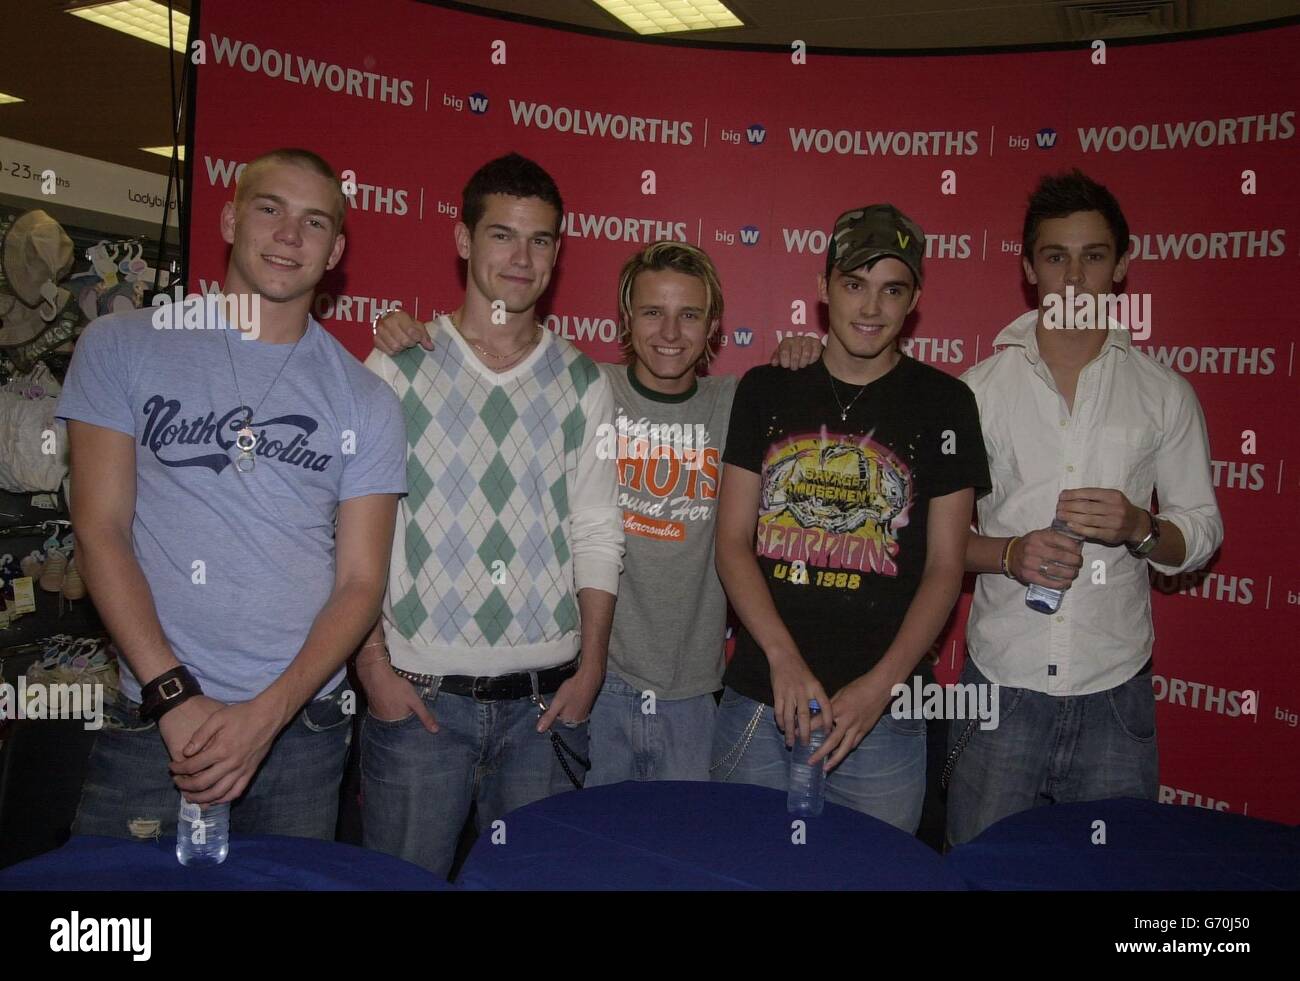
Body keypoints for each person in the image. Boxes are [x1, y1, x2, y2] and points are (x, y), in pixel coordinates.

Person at [375, 242, 823, 786]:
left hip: (692, 689)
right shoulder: (584, 387)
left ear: (714, 327)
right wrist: (399, 328)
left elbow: (821, 393)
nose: (670, 333)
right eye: (653, 312)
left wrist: (802, 354)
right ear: (626, 320)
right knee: (585, 862)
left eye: (690, 315)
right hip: (592, 683)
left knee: (679, 863)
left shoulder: (736, 402)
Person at [56, 148, 406, 840]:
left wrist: (266, 715)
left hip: (300, 730)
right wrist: (173, 694)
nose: (288, 235)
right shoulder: (121, 346)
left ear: (334, 250)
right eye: (269, 208)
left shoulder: (367, 399)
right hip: (153, 721)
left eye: (313, 222)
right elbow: (100, 530)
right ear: (229, 218)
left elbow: (361, 583)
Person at [357, 153, 623, 877]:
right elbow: (351, 532)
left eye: (540, 240)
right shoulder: (397, 367)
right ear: (463, 240)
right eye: (502, 234)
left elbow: (598, 527)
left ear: (558, 253)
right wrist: (371, 664)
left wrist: (592, 665)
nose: (521, 256)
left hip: (547, 707)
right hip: (419, 704)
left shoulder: (581, 380)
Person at [945, 169, 1223, 845]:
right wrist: (1010, 553)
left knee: (1114, 881)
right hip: (1002, 683)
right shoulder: (973, 393)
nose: (1074, 279)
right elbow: (941, 542)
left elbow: (1202, 530)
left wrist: (1141, 527)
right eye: (1055, 256)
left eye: (1093, 256)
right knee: (981, 874)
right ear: (1027, 267)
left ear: (1123, 265)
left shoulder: (1164, 393)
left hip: (1114, 689)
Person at [711, 204, 989, 832]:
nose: (870, 308)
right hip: (761, 696)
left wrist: (881, 687)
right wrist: (781, 658)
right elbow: (732, 542)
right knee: (741, 873)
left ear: (914, 298)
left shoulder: (946, 404)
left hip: (883, 715)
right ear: (822, 287)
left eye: (892, 289)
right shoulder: (766, 390)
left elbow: (946, 568)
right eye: (854, 284)